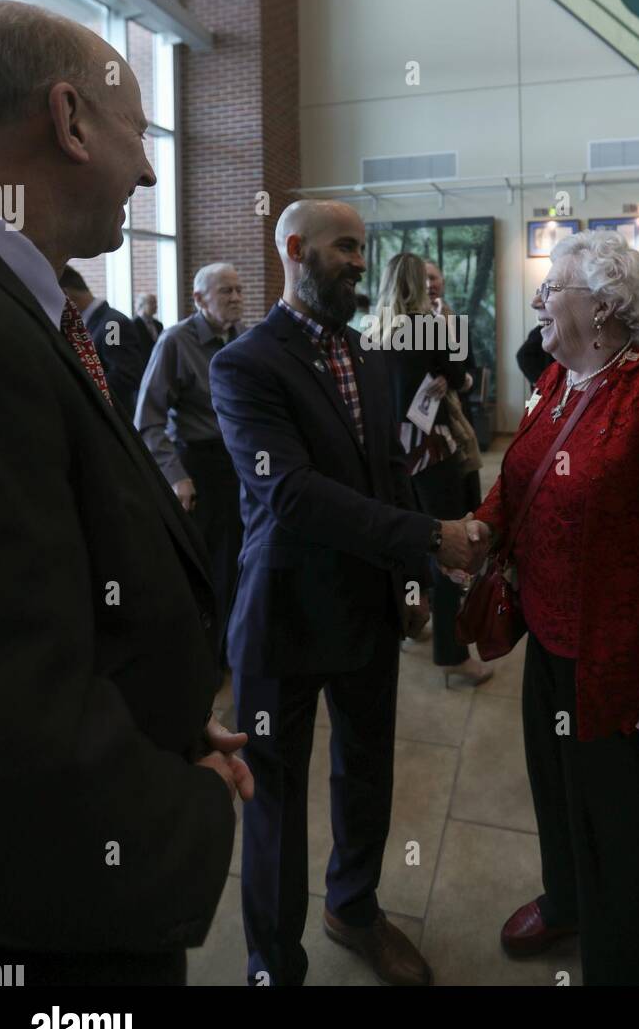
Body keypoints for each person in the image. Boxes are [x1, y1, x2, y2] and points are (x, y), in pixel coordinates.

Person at [0, 0, 247, 986]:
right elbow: (13, 708)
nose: (146, 169)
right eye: (138, 135)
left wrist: (171, 722)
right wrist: (191, 808)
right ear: (69, 118)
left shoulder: (27, 308)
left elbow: (61, 591)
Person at [450, 230, 639, 986]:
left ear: (604, 307)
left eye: (552, 289)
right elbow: (520, 477)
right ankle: (567, 901)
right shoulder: (558, 381)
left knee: (628, 840)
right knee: (557, 796)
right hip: (550, 647)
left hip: (628, 670)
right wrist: (486, 524)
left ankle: (625, 961)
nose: (536, 301)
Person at [209, 200, 480, 987]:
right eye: (346, 248)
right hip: (282, 615)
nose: (362, 262)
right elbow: (290, 493)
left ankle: (352, 908)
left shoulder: (366, 354)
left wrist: (411, 578)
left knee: (367, 772)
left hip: (365, 603)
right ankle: (273, 963)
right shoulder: (245, 364)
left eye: (365, 248)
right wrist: (430, 539)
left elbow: (388, 470)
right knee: (274, 801)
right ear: (295, 250)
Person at [377, 252, 491, 688]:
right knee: (450, 548)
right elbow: (463, 377)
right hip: (433, 452)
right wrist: (451, 378)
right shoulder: (429, 327)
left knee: (411, 542)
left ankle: (414, 626)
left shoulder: (374, 332)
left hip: (394, 455)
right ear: (416, 284)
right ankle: (453, 657)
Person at [134, 263, 246, 647]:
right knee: (206, 567)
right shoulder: (175, 342)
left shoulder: (243, 339)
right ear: (199, 299)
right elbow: (147, 419)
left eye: (238, 290)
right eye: (225, 291)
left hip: (241, 466)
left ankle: (232, 648)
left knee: (238, 560)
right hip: (198, 467)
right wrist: (176, 475)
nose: (235, 298)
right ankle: (204, 661)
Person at [424, 257, 483, 509]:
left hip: (458, 409)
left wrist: (453, 379)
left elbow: (468, 367)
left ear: (443, 281)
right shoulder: (404, 322)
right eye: (423, 279)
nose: (429, 284)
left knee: (466, 482)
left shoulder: (456, 321)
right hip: (425, 416)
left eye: (433, 278)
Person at [59, 265, 145, 417]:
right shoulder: (84, 323)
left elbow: (123, 375)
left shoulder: (113, 325)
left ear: (66, 294)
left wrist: (79, 392)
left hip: (112, 417)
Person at [134, 290, 164, 366]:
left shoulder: (159, 325)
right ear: (142, 305)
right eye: (152, 303)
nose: (156, 306)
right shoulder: (133, 324)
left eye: (156, 303)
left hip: (157, 364)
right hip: (141, 366)